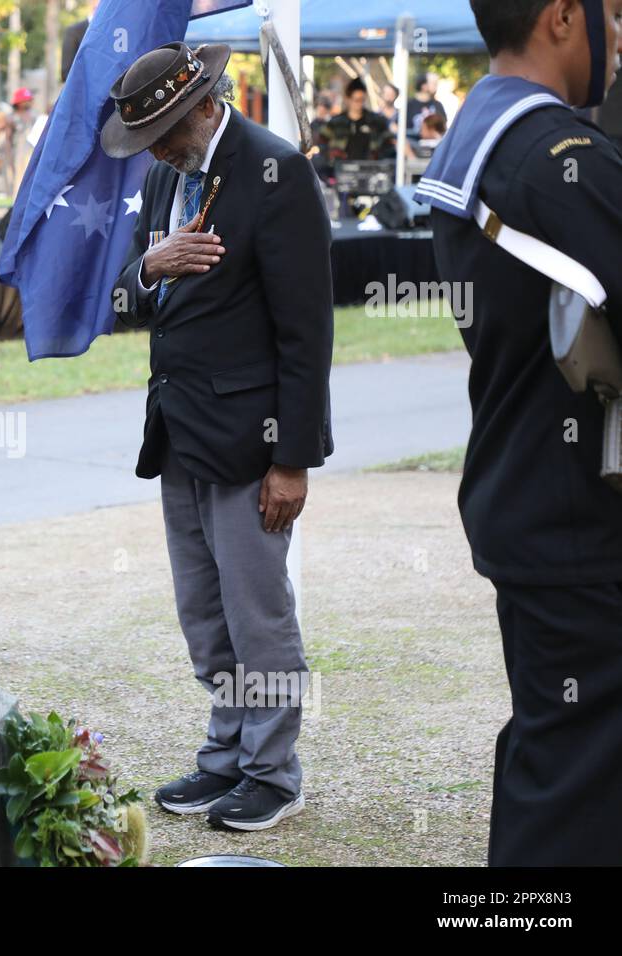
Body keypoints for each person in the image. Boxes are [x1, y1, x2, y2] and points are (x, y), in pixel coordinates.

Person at [103, 42, 334, 832]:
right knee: (205, 616)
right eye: (147, 135)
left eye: (165, 127)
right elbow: (127, 304)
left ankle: (273, 775)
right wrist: (151, 268)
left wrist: (292, 460)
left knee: (257, 616)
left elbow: (307, 334)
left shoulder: (277, 170)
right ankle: (227, 758)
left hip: (250, 439)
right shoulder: (167, 173)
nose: (157, 146)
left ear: (206, 103)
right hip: (178, 432)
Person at [417, 0, 622, 865]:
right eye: (612, 9)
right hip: (580, 514)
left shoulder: (482, 127)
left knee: (559, 747)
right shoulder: (557, 158)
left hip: (533, 490)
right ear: (562, 18)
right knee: (576, 779)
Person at [317, 77, 396, 162]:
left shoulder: (377, 122)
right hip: (340, 170)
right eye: (356, 100)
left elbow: (389, 144)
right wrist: (332, 156)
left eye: (362, 100)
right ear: (348, 99)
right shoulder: (335, 123)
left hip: (371, 169)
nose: (360, 104)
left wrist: (380, 158)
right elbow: (321, 144)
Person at [406, 71, 449, 137]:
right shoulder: (409, 105)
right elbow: (396, 127)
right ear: (424, 86)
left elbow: (443, 128)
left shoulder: (438, 105)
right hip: (413, 145)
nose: (436, 86)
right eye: (434, 83)